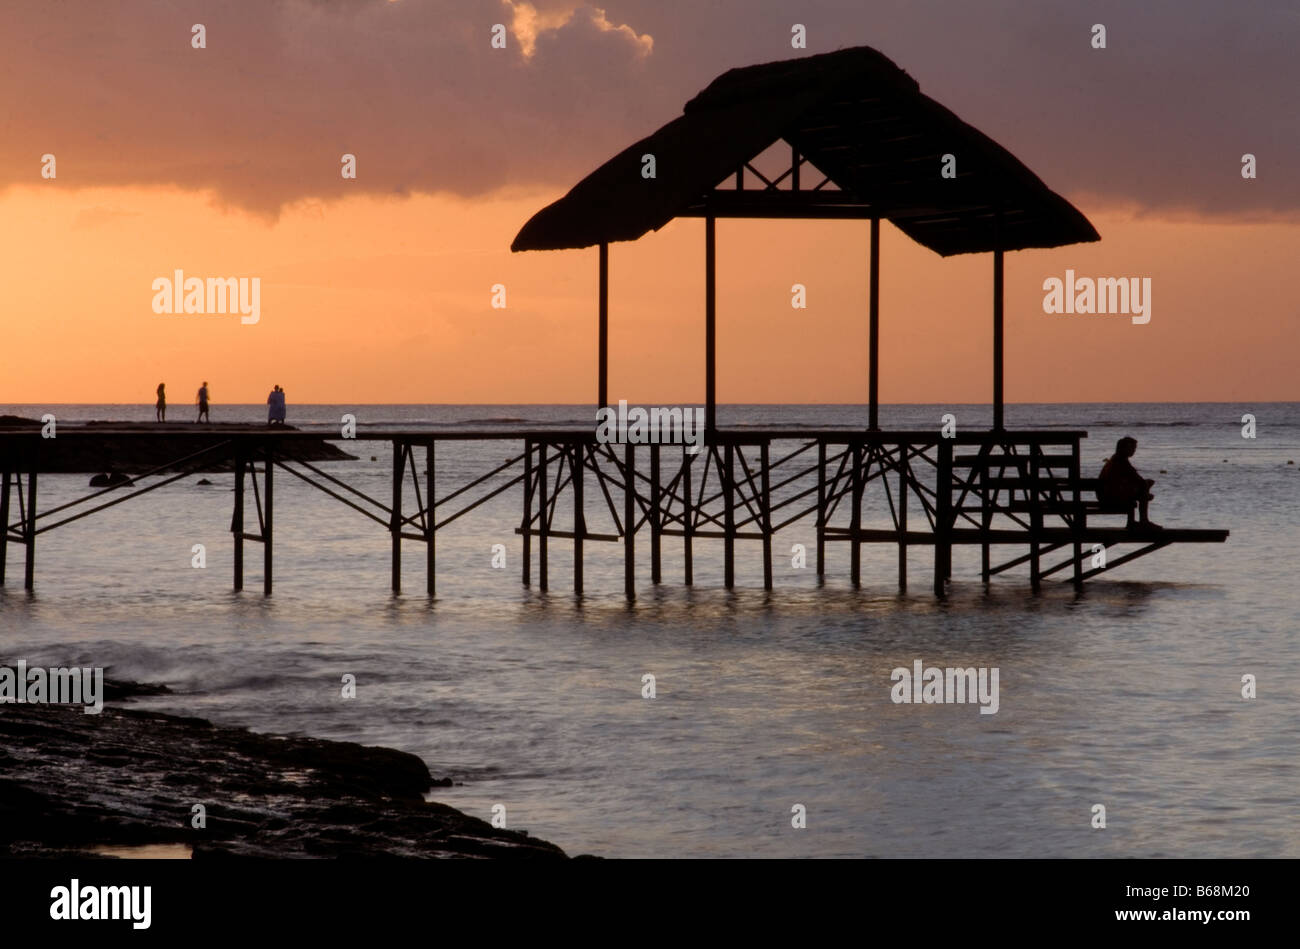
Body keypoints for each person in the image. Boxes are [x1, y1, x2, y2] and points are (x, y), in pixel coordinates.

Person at [1098, 437, 1160, 529]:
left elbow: (1132, 479)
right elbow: (1137, 480)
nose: (1133, 451)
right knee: (1143, 488)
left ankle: (1132, 521)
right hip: (1110, 497)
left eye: (1134, 448)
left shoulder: (1115, 459)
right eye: (1131, 448)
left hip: (1106, 495)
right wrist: (1146, 489)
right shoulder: (1120, 461)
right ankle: (1144, 521)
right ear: (1123, 448)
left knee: (1140, 489)